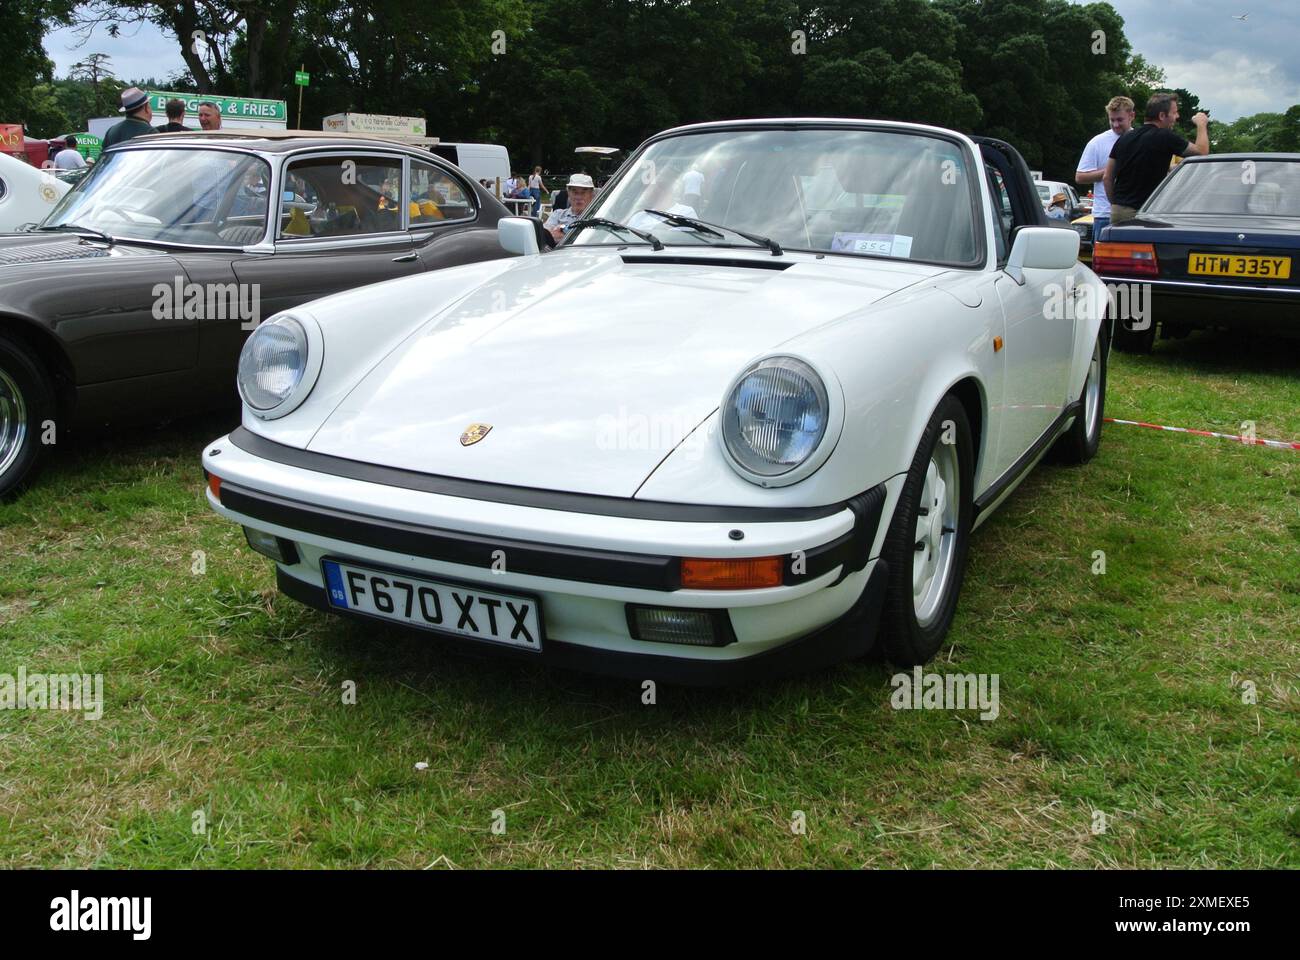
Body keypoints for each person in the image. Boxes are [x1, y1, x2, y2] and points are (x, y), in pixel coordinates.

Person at [1104, 93, 1208, 226]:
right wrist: (1201, 124)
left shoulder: (1124, 138)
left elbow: (1107, 177)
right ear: (1162, 116)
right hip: (1148, 213)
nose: (1177, 117)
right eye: (1174, 113)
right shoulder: (1165, 137)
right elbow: (1202, 152)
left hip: (1120, 212)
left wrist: (1116, 204)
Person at [1075, 95, 1135, 240]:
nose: (1115, 125)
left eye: (1120, 120)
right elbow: (1080, 177)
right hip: (1104, 215)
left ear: (1131, 115)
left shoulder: (1140, 139)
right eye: (1112, 120)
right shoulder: (1097, 142)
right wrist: (1111, 170)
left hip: (1134, 213)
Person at [543, 173, 594, 242]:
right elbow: (544, 236)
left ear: (591, 194)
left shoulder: (598, 216)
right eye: (575, 192)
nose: (578, 197)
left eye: (583, 193)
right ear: (568, 193)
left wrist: (564, 236)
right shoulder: (558, 214)